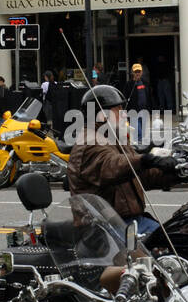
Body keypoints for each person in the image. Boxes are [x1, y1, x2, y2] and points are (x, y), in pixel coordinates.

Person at [67, 84, 175, 237]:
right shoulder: (88, 142)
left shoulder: (115, 138)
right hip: (104, 229)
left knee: (180, 236)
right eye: (119, 110)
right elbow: (112, 165)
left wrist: (177, 173)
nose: (125, 114)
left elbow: (143, 176)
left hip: (130, 221)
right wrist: (146, 159)